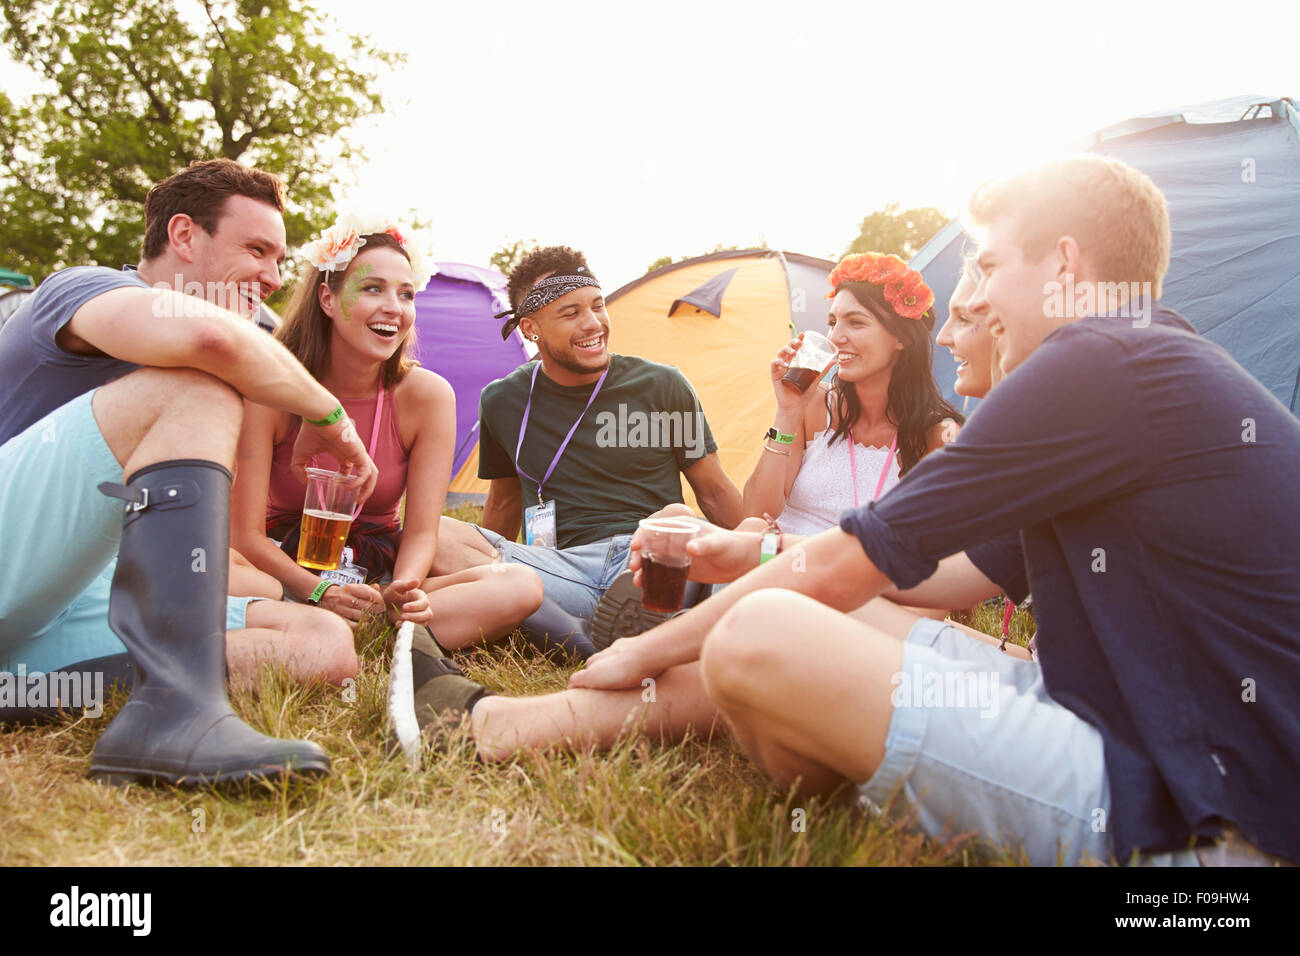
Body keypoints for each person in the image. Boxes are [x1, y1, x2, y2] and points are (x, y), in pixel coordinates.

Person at [397, 155, 1300, 867]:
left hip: (1205, 806)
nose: (971, 299)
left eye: (986, 264)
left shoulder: (1102, 359)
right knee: (815, 614)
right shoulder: (1149, 365)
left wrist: (644, 645)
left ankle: (506, 725)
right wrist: (741, 560)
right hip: (1126, 721)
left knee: (764, 635)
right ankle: (520, 725)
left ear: (1063, 264)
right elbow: (942, 577)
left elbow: (845, 562)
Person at [0, 159, 375, 785]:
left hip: (77, 593)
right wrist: (330, 417)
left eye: (281, 260)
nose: (272, 277)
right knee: (198, 387)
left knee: (322, 643)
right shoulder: (81, 288)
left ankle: (33, 690)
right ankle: (174, 715)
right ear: (183, 236)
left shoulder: (249, 326)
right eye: (256, 250)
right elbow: (213, 344)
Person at [230, 214, 542, 649]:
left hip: (376, 570)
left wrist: (405, 587)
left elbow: (420, 532)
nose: (394, 307)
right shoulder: (271, 387)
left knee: (520, 585)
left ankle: (378, 621)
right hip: (283, 564)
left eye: (407, 293)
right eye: (372, 288)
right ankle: (329, 622)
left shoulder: (428, 395)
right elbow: (243, 536)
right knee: (211, 569)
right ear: (327, 299)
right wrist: (319, 590)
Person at [430, 246, 743, 657]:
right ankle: (598, 630)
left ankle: (568, 629)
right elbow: (504, 504)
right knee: (429, 533)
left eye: (597, 306)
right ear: (530, 328)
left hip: (648, 555)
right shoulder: (502, 401)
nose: (593, 323)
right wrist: (490, 569)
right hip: (559, 570)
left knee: (679, 519)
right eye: (570, 312)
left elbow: (714, 491)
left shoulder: (663, 385)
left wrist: (756, 559)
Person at [745, 253, 963, 535]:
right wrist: (787, 414)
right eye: (833, 322)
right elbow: (755, 514)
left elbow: (934, 546)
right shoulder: (812, 407)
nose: (835, 337)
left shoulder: (937, 435)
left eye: (856, 323)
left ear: (903, 338)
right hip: (771, 562)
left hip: (852, 573)